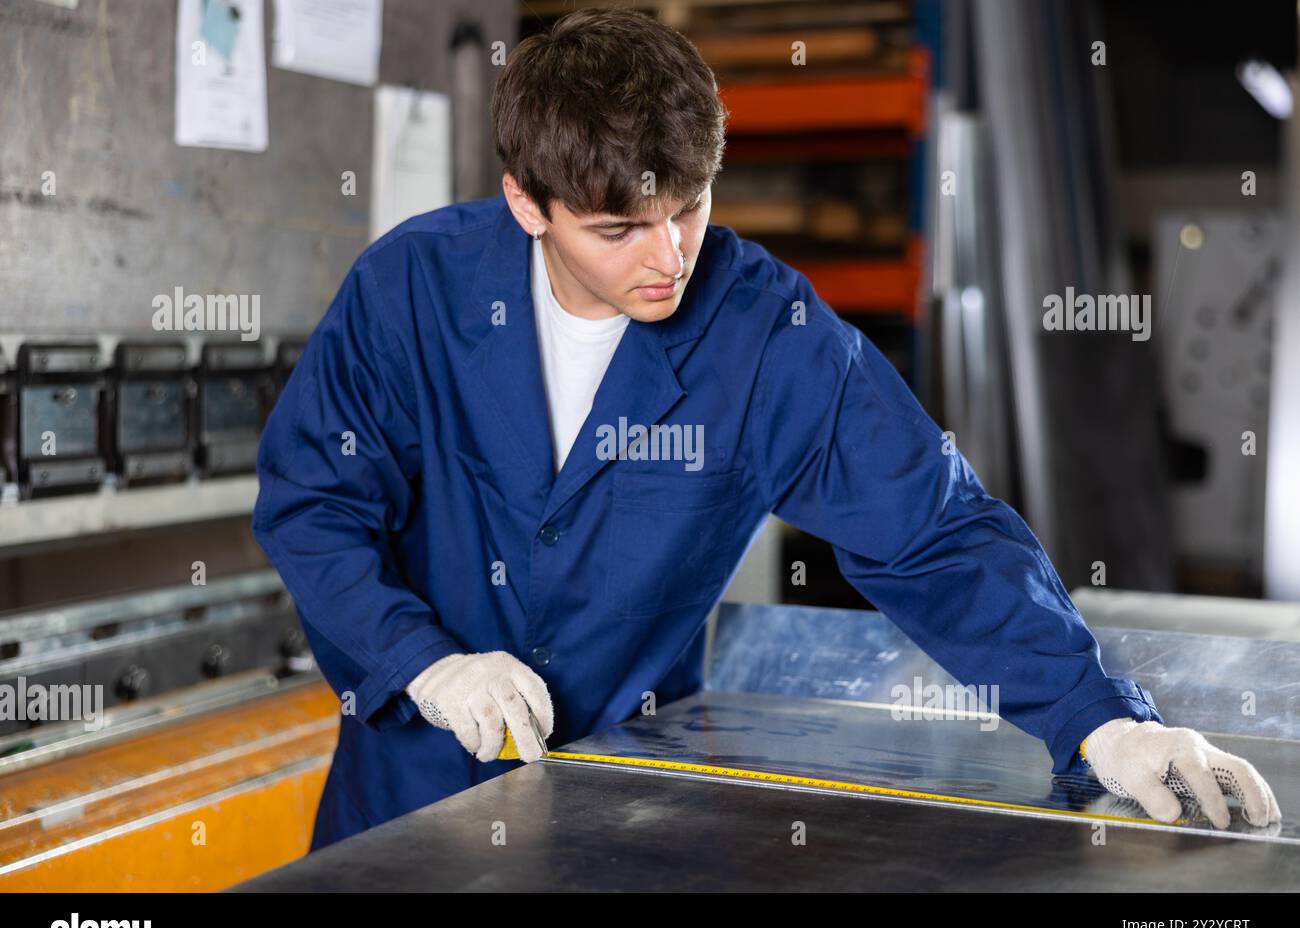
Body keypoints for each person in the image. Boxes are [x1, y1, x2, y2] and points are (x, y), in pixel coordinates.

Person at [252, 8, 1280, 851]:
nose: (668, 257)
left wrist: (1099, 720)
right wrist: (428, 662)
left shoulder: (763, 330)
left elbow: (930, 529)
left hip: (620, 814)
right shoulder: (410, 290)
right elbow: (312, 503)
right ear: (528, 204)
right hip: (400, 809)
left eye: (690, 207)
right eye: (618, 229)